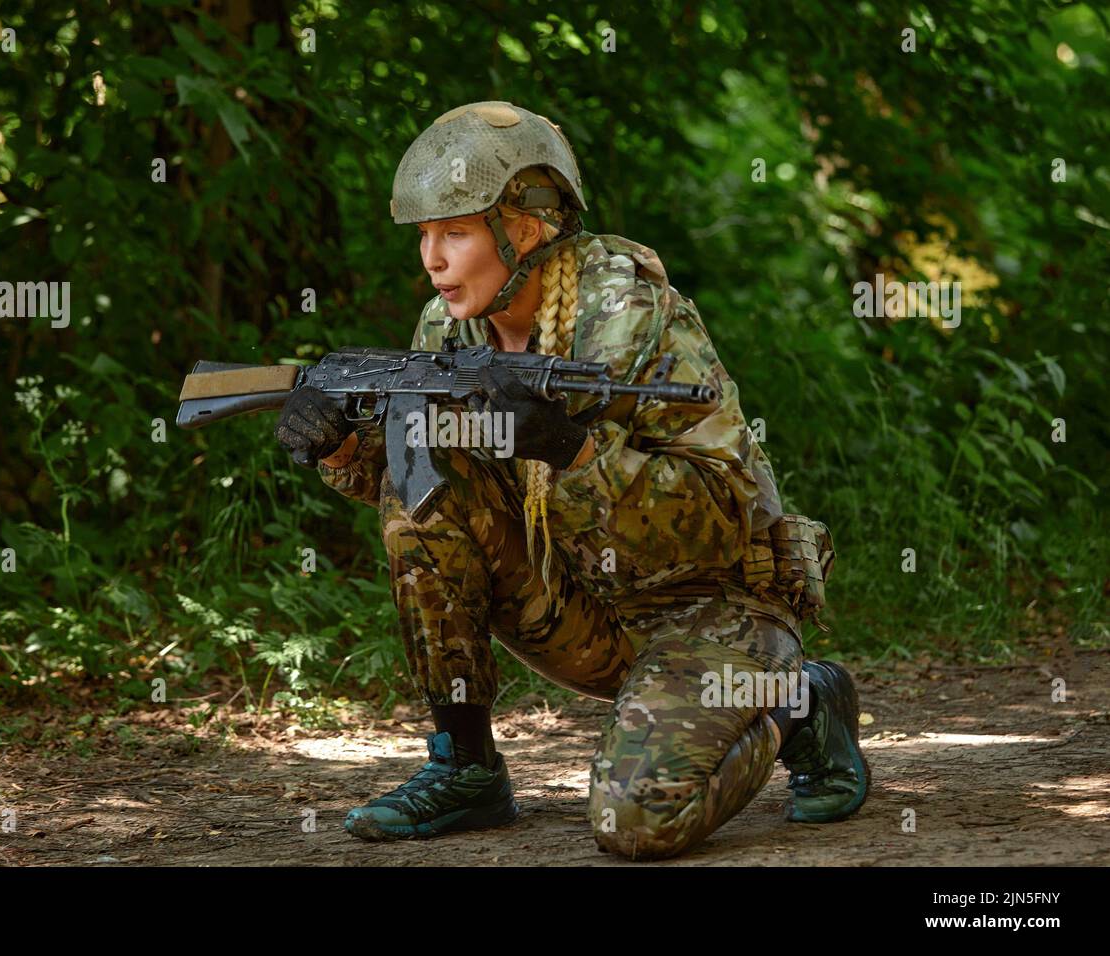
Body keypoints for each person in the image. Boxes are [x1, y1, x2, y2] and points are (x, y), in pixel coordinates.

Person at [273, 100, 869, 860]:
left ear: (525, 228)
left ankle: (801, 699)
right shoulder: (448, 328)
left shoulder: (631, 315)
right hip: (580, 606)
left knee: (638, 821)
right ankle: (464, 766)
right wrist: (340, 449)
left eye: (454, 232)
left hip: (712, 610)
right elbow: (420, 495)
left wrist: (575, 451)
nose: (432, 259)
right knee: (428, 475)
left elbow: (727, 516)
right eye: (423, 235)